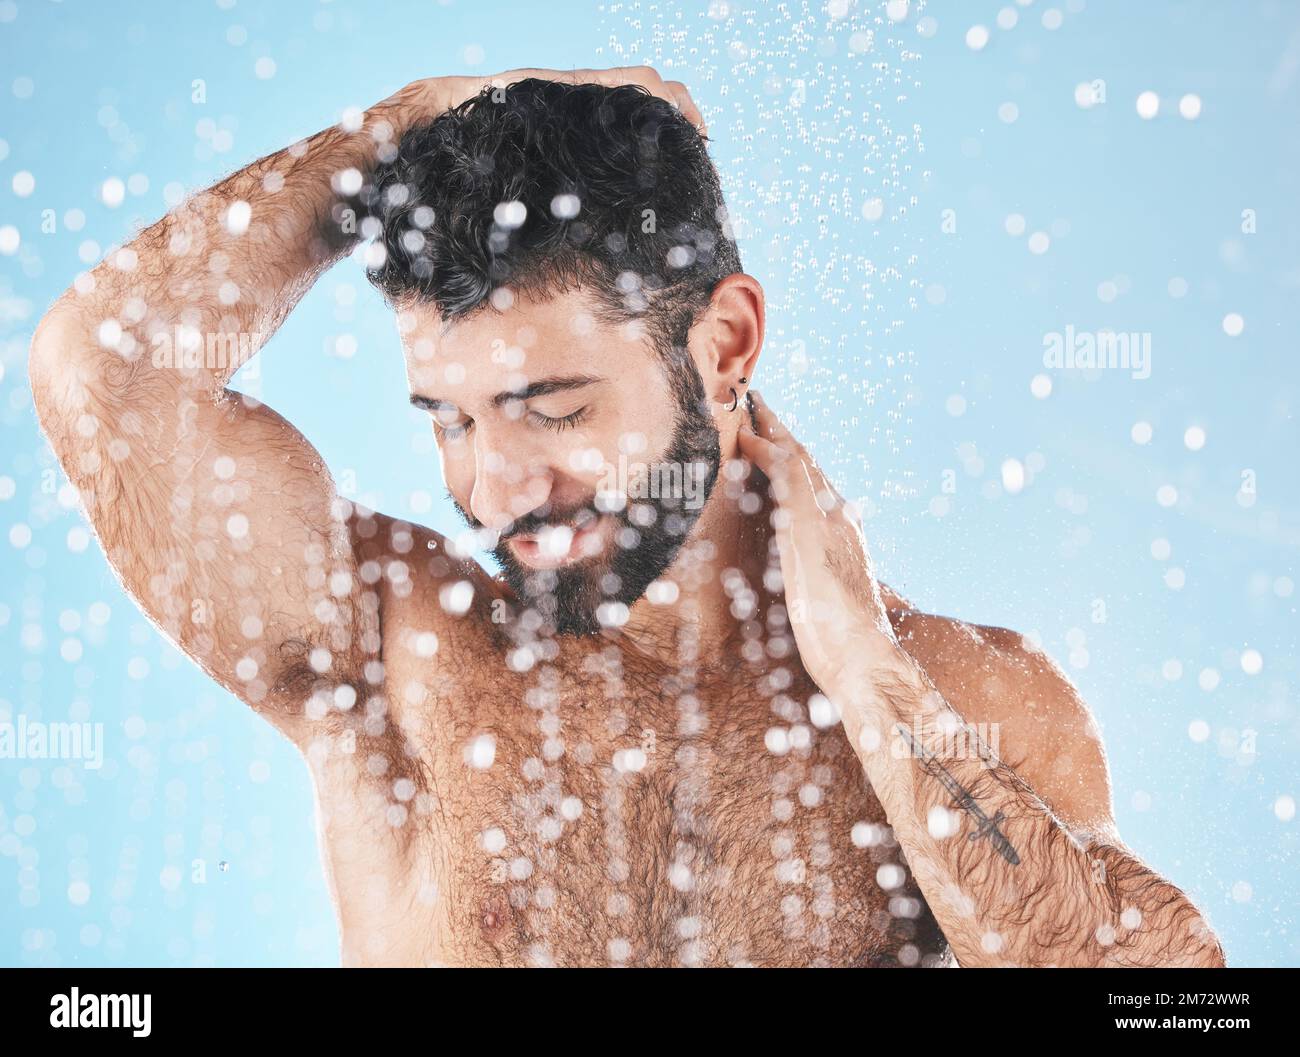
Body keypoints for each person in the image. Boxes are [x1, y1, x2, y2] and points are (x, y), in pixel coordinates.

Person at [28, 67, 1226, 968]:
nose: (494, 488)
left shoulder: (963, 702)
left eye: (550, 408)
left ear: (724, 346)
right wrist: (418, 123)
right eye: (450, 421)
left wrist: (865, 670)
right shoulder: (403, 657)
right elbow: (103, 366)